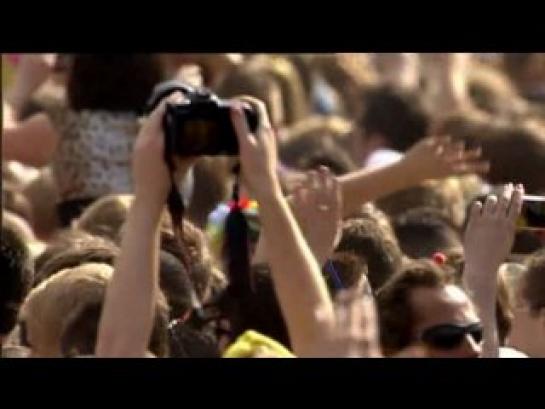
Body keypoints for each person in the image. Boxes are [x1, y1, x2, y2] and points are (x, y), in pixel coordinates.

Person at [2, 54, 165, 226]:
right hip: (159, 246)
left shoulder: (66, 126)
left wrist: (21, 87)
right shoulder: (163, 127)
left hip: (91, 247)